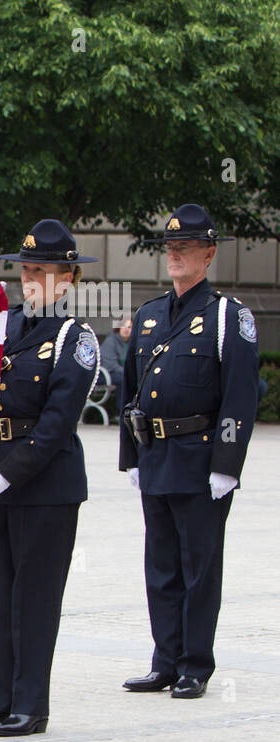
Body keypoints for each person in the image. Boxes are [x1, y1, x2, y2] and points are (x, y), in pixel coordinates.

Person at [0, 219, 100, 736]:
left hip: (45, 484)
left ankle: (30, 704)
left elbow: (56, 422)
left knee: (34, 599)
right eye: (25, 270)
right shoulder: (2, 327)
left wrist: (10, 473)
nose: (29, 280)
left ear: (66, 279)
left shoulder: (75, 338)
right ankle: (0, 697)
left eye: (40, 271)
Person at [119, 204, 258, 699]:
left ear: (209, 254)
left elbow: (241, 395)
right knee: (160, 566)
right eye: (170, 248)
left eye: (185, 248)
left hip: (200, 461)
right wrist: (130, 457)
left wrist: (226, 465)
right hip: (155, 455)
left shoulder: (227, 317)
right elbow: (129, 393)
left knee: (198, 568)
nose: (175, 256)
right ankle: (165, 660)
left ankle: (195, 664)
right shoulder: (150, 314)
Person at [100, 315, 132, 396]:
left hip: (122, 372)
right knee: (124, 380)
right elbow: (111, 366)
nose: (126, 330)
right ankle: (121, 408)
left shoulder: (133, 343)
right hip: (105, 374)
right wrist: (129, 372)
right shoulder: (111, 341)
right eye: (123, 326)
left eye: (129, 327)